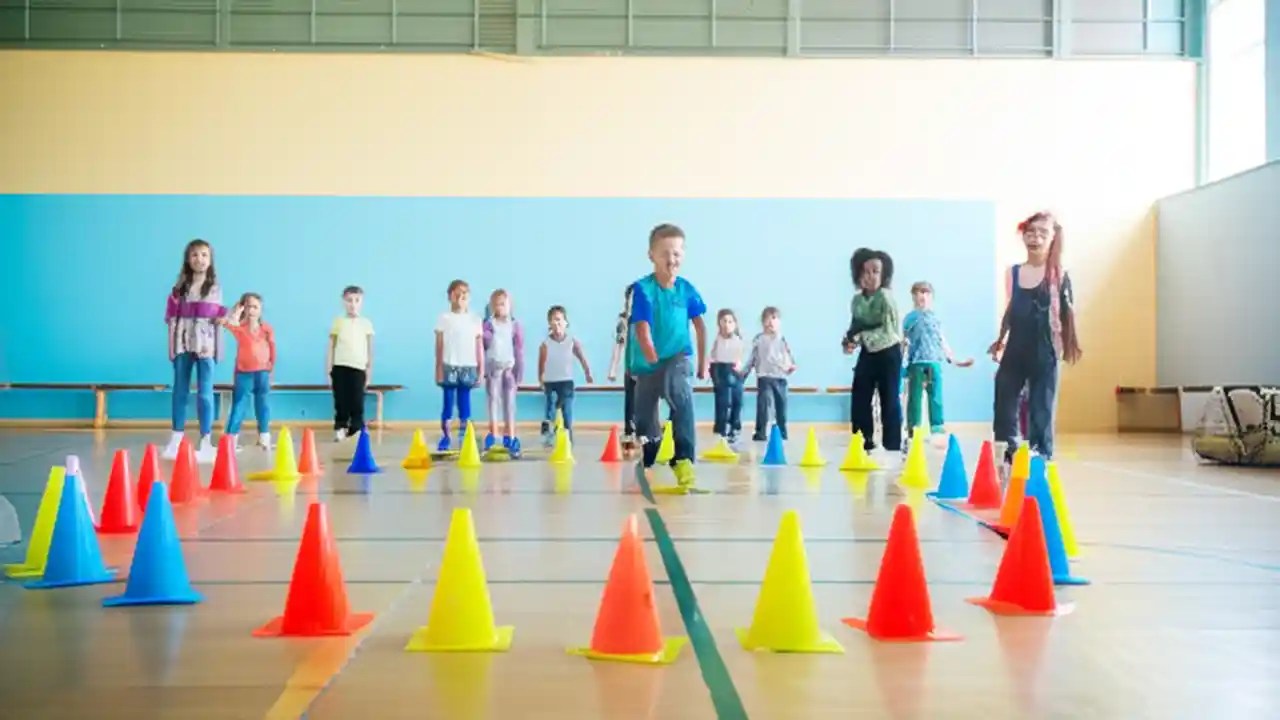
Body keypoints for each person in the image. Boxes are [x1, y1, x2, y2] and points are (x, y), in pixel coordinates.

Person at [988, 210, 1082, 465]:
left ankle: (1041, 455)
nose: (1035, 237)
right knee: (1004, 395)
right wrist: (1000, 339)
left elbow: (1066, 314)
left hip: (1045, 349)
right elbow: (1012, 308)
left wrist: (1066, 346)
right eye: (1031, 232)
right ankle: (1006, 450)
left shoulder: (1059, 275)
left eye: (1042, 233)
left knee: (1042, 405)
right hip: (1016, 347)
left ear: (1053, 238)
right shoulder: (1014, 273)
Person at [628, 223, 707, 487]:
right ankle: (650, 454)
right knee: (644, 411)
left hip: (679, 355)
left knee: (680, 393)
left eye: (676, 253)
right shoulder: (643, 289)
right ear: (651, 255)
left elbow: (699, 325)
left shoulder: (686, 289)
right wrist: (650, 355)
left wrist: (704, 362)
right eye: (665, 253)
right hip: (649, 360)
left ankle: (684, 458)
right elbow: (642, 326)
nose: (671, 259)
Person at [164, 239, 227, 463]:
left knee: (205, 392)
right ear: (187, 259)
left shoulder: (216, 288)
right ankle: (176, 437)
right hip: (183, 343)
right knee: (180, 390)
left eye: (204, 255)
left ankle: (206, 440)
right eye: (194, 255)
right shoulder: (178, 289)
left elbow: (219, 318)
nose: (199, 259)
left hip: (206, 346)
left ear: (210, 260)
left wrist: (219, 348)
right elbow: (171, 319)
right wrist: (171, 347)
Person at [844, 248, 904, 456]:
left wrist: (861, 336)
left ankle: (893, 445)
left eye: (875, 271)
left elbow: (888, 329)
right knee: (860, 395)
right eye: (866, 271)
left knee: (889, 398)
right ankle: (863, 441)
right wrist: (849, 341)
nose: (870, 276)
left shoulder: (886, 298)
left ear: (884, 274)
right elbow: (855, 325)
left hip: (888, 351)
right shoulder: (857, 301)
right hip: (869, 352)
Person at [902, 281, 972, 439]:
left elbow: (942, 340)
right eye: (919, 293)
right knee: (915, 397)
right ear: (913, 296)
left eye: (926, 293)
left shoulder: (935, 319)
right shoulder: (909, 319)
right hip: (916, 363)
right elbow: (904, 342)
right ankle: (914, 428)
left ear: (931, 296)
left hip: (934, 362)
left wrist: (954, 360)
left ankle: (937, 427)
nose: (922, 296)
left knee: (936, 396)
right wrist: (901, 364)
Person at [222, 292, 276, 451]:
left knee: (263, 405)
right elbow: (227, 323)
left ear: (260, 309)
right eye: (248, 306)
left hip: (263, 373)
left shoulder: (266, 329)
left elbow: (272, 348)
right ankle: (231, 439)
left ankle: (264, 437)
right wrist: (237, 311)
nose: (251, 310)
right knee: (240, 405)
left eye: (255, 307)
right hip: (244, 374)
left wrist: (271, 366)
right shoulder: (240, 329)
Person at [435, 279, 484, 452]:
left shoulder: (475, 319)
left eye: (464, 294)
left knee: (465, 402)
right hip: (449, 365)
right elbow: (439, 345)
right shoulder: (444, 318)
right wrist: (439, 368)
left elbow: (479, 347)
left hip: (468, 366)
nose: (460, 297)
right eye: (457, 293)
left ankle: (465, 435)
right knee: (448, 403)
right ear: (450, 296)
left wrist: (481, 369)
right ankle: (446, 436)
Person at [538, 305, 594, 446]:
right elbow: (541, 362)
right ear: (549, 324)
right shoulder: (545, 344)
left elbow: (581, 357)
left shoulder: (572, 342)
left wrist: (587, 372)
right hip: (550, 381)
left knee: (566, 408)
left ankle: (568, 434)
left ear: (565, 323)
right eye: (553, 321)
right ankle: (548, 430)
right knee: (550, 404)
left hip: (566, 381)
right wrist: (541, 379)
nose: (556, 324)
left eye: (559, 320)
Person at [741, 306, 796, 442]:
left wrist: (790, 366)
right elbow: (752, 358)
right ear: (762, 322)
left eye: (774, 318)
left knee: (781, 406)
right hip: (764, 377)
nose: (770, 322)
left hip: (780, 377)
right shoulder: (759, 339)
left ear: (779, 322)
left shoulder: (782, 339)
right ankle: (760, 432)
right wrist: (744, 373)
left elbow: (788, 355)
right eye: (767, 319)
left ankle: (782, 431)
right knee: (763, 406)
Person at [327, 285, 374, 442]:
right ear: (343, 302)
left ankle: (356, 428)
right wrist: (329, 368)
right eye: (349, 300)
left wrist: (369, 369)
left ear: (361, 302)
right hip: (340, 366)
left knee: (357, 400)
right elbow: (331, 347)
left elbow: (369, 348)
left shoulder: (366, 323)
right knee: (341, 399)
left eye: (356, 300)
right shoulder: (338, 322)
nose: (352, 304)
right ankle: (341, 426)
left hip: (358, 367)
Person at [482, 289, 525, 457]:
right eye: (497, 304)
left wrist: (519, 372)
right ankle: (493, 433)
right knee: (493, 400)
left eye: (503, 304)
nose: (500, 308)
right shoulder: (489, 324)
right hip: (493, 368)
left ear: (510, 306)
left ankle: (510, 435)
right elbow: (483, 345)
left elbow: (519, 349)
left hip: (509, 368)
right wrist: (484, 335)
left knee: (509, 403)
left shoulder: (514, 325)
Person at [706, 309, 746, 445]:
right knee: (722, 401)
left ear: (734, 324)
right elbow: (712, 355)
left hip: (734, 369)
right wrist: (708, 368)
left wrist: (740, 366)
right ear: (719, 323)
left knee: (737, 400)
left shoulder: (738, 340)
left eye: (730, 321)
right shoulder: (718, 340)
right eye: (724, 321)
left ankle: (735, 426)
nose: (727, 324)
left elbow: (741, 356)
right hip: (719, 369)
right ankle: (721, 428)